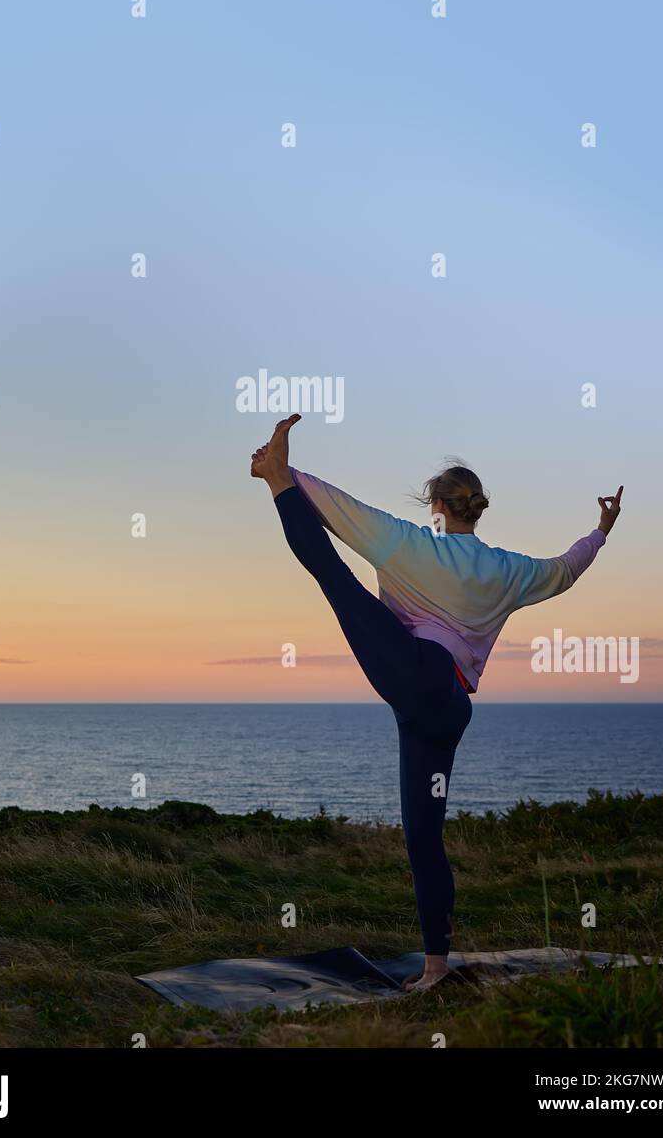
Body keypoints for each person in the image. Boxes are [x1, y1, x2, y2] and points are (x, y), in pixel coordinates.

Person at [250, 413, 623, 990]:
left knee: (333, 575)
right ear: (475, 508)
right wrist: (602, 529)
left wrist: (286, 475)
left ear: (438, 507)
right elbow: (566, 570)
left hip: (420, 678)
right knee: (423, 837)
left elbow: (340, 509)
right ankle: (434, 969)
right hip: (447, 710)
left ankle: (274, 481)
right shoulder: (511, 571)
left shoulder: (411, 545)